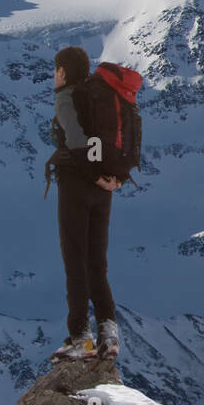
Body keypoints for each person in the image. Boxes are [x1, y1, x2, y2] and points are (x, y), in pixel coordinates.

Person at [46, 46, 121, 361]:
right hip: (104, 189)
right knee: (96, 263)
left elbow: (77, 143)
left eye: (55, 70)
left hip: (78, 186)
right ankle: (109, 334)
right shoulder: (100, 98)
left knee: (75, 261)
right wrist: (108, 179)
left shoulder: (67, 98)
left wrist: (92, 176)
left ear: (63, 71)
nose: (54, 76)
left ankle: (80, 337)